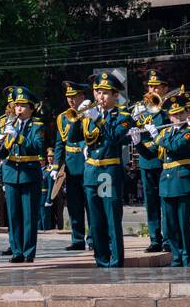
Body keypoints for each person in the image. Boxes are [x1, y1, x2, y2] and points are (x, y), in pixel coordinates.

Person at [132, 92, 190, 267]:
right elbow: (150, 154)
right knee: (170, 226)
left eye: (181, 113)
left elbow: (176, 148)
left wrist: (157, 136)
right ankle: (176, 258)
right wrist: (138, 142)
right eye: (174, 114)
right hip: (167, 183)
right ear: (169, 115)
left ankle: (187, 259)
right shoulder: (166, 132)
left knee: (184, 224)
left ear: (186, 114)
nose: (177, 116)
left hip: (183, 182)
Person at [81, 71, 134, 268]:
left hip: (107, 173)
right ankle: (101, 260)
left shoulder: (123, 116)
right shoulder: (90, 113)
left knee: (111, 218)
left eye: (104, 93)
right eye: (97, 92)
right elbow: (73, 139)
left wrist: (97, 119)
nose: (99, 97)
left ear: (115, 96)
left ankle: (116, 261)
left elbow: (113, 137)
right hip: (91, 172)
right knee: (95, 222)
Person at [0, 86, 46, 263]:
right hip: (11, 172)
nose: (19, 109)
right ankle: (16, 251)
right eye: (17, 105)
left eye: (23, 106)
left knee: (29, 215)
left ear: (31, 108)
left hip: (29, 172)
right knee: (13, 215)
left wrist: (19, 138)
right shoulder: (8, 124)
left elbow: (38, 147)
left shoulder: (37, 125)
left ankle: (28, 252)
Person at [136, 72, 170, 253]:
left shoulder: (169, 109)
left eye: (157, 86)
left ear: (165, 89)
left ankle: (168, 239)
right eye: (150, 87)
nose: (153, 90)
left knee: (166, 202)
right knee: (151, 203)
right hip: (146, 160)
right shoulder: (142, 109)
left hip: (163, 160)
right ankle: (155, 239)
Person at [55, 80, 89, 250]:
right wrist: (56, 166)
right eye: (68, 96)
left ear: (82, 96)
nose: (70, 99)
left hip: (87, 163)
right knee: (74, 206)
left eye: (74, 96)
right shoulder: (62, 117)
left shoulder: (90, 113)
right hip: (71, 165)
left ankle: (93, 239)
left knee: (91, 204)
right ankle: (77, 239)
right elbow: (60, 143)